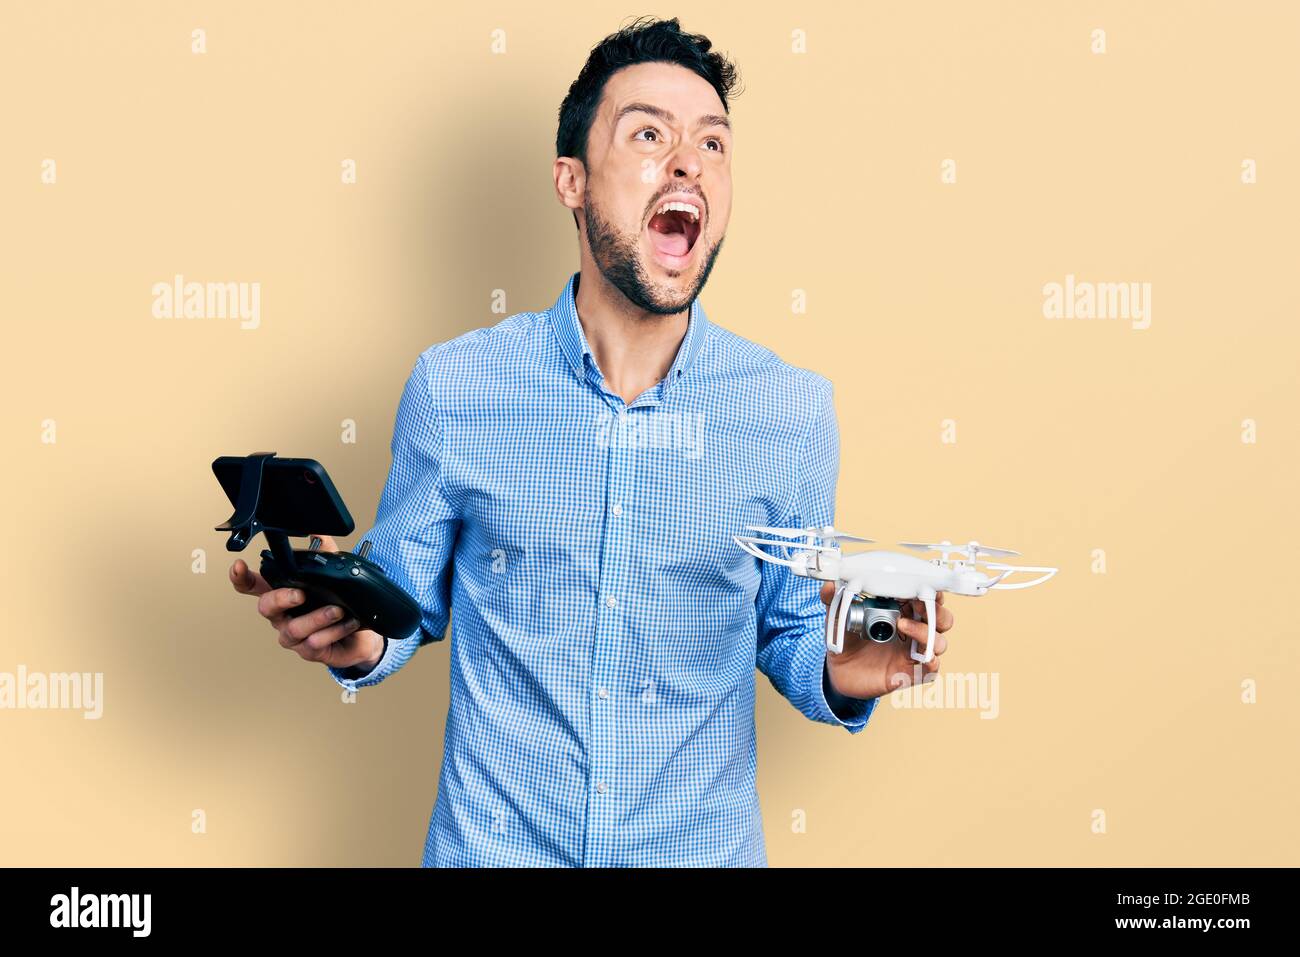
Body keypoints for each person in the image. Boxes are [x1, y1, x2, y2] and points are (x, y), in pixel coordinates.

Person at [229, 16, 954, 867]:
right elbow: (405, 606)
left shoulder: (790, 411)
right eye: (649, 134)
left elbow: (792, 628)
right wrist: (351, 638)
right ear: (570, 181)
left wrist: (844, 670)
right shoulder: (456, 386)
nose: (689, 162)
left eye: (712, 145)